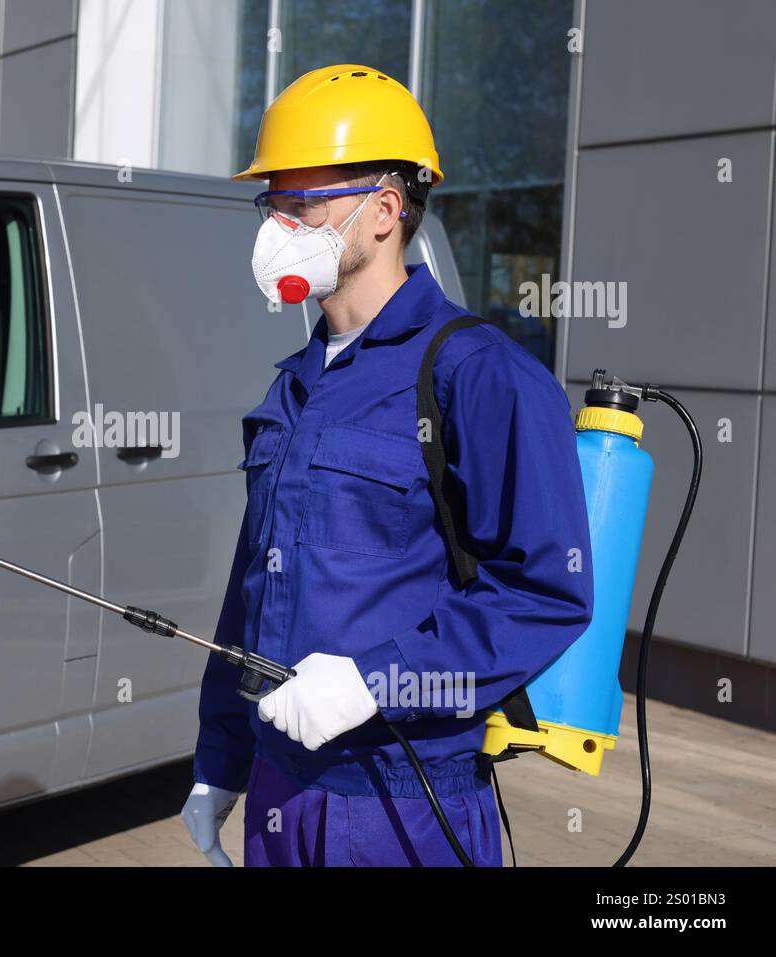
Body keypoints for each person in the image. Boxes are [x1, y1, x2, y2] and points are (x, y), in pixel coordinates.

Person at [180, 64, 594, 867]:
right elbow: (253, 589)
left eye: (306, 203)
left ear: (385, 209)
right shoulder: (297, 384)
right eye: (275, 202)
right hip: (278, 790)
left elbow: (546, 592)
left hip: (399, 807)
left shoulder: (478, 375)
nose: (281, 226)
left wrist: (379, 682)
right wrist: (219, 759)